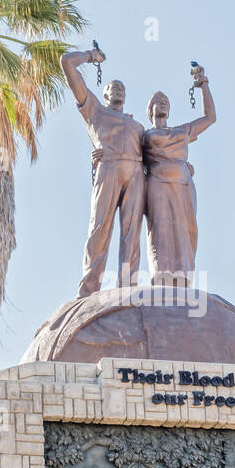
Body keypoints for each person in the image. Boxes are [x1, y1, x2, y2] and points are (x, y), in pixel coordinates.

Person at [61, 46, 145, 296]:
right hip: (108, 167)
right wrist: (90, 56)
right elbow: (66, 63)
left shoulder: (137, 124)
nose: (118, 89)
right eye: (112, 87)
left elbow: (158, 152)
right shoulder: (95, 110)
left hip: (136, 171)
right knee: (99, 227)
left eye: (122, 88)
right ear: (104, 94)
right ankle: (88, 289)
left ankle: (128, 288)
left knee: (132, 233)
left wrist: (184, 165)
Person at [141, 64, 215, 287]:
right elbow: (127, 155)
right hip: (157, 184)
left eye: (165, 102)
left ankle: (182, 279)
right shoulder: (143, 135)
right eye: (158, 101)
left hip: (183, 184)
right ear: (151, 109)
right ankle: (161, 277)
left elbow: (209, 117)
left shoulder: (181, 132)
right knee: (160, 229)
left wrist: (203, 85)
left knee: (184, 230)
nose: (162, 104)